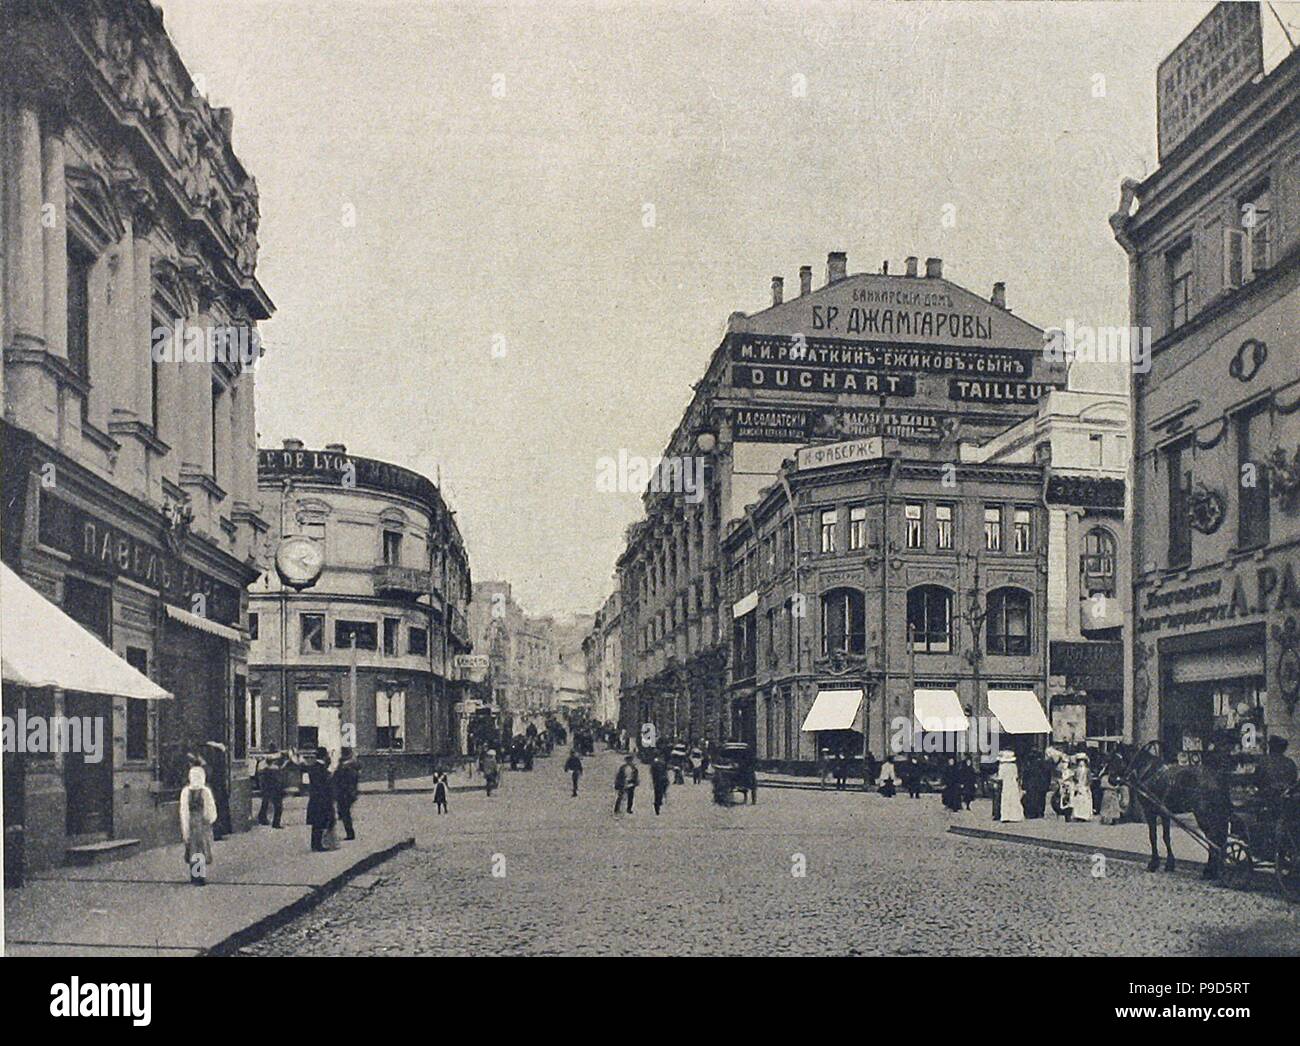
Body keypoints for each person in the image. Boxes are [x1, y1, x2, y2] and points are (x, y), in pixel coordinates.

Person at [179, 765, 217, 886]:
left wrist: (185, 827)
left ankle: (194, 875)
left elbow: (183, 810)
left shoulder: (186, 791)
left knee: (193, 849)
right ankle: (200, 876)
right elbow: (210, 809)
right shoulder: (205, 791)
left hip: (191, 822)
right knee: (201, 848)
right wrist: (209, 820)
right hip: (202, 823)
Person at [305, 747, 336, 851]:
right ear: (324, 756)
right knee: (320, 823)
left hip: (315, 799)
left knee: (316, 824)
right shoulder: (321, 769)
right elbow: (324, 785)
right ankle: (318, 845)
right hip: (322, 800)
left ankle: (315, 844)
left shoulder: (313, 767)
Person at [256, 748, 287, 828]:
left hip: (266, 786)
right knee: (277, 805)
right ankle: (274, 823)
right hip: (272, 786)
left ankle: (262, 818)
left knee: (265, 802)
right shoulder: (271, 767)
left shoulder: (262, 764)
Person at [334, 747, 361, 840]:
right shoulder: (352, 765)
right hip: (348, 793)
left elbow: (340, 779)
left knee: (345, 813)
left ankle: (350, 833)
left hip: (345, 793)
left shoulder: (345, 767)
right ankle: (349, 832)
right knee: (344, 812)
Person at [996, 749, 1024, 823]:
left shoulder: (1002, 766)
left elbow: (1000, 777)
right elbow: (1016, 776)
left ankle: (1005, 816)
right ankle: (1015, 816)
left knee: (1006, 799)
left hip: (1006, 784)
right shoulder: (1013, 766)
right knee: (1014, 799)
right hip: (1013, 784)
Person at [1068, 753, 1093, 822]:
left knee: (1083, 801)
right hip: (1080, 786)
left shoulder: (1087, 771)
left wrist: (1087, 785)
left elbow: (1089, 779)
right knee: (1079, 801)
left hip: (1084, 786)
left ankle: (1083, 816)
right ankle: (1078, 815)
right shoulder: (1076, 770)